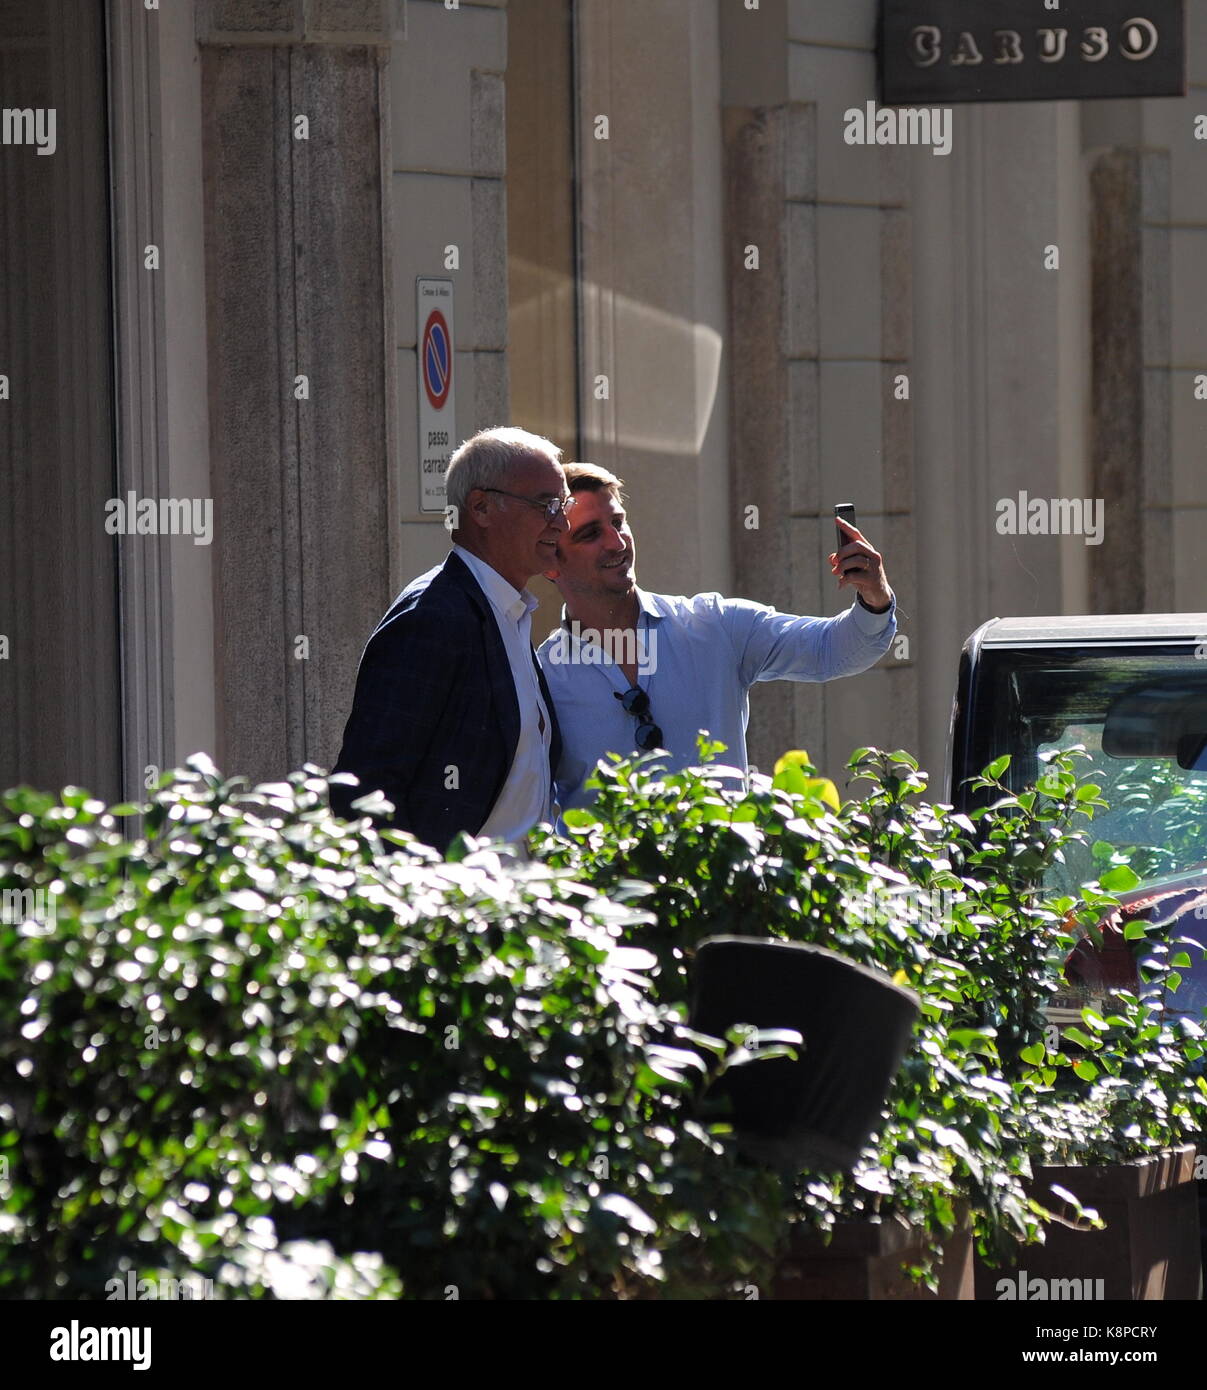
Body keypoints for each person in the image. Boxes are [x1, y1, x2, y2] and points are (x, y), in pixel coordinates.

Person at [537, 463, 897, 810]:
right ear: (551, 563)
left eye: (619, 523)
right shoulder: (541, 676)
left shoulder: (714, 626)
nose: (616, 543)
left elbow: (833, 651)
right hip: (600, 875)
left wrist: (873, 595)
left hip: (721, 872)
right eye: (590, 534)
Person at [330, 427, 573, 851]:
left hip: (518, 904)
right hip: (453, 907)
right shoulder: (432, 619)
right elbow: (365, 794)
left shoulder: (510, 611)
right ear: (481, 508)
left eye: (563, 504)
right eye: (545, 504)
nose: (562, 521)